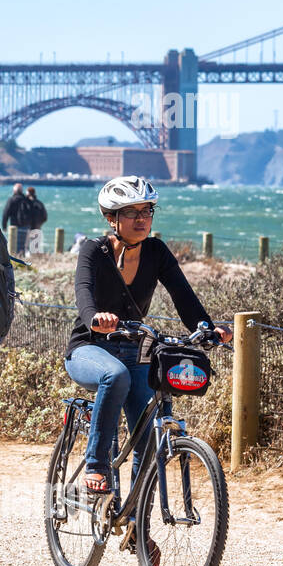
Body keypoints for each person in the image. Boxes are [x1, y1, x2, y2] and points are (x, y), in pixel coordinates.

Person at [64, 176, 233, 512]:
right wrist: (95, 317)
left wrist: (208, 328)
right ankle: (96, 463)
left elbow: (184, 297)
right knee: (115, 376)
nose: (141, 219)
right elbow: (83, 294)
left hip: (135, 349)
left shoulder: (156, 251)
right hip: (89, 348)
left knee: (150, 430)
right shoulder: (93, 251)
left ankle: (135, 519)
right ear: (112, 218)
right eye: (131, 212)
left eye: (147, 211)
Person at [1, 182, 32, 254]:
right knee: (23, 245)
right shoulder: (26, 199)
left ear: (14, 191)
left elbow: (6, 213)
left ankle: (16, 259)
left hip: (14, 227)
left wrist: (4, 226)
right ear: (21, 191)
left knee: (14, 246)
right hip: (26, 226)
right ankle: (22, 259)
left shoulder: (11, 200)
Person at [26, 186, 47, 254]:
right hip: (37, 227)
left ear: (28, 193)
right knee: (35, 248)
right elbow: (45, 216)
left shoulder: (26, 203)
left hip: (28, 228)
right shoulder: (39, 203)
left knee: (25, 248)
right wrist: (39, 224)